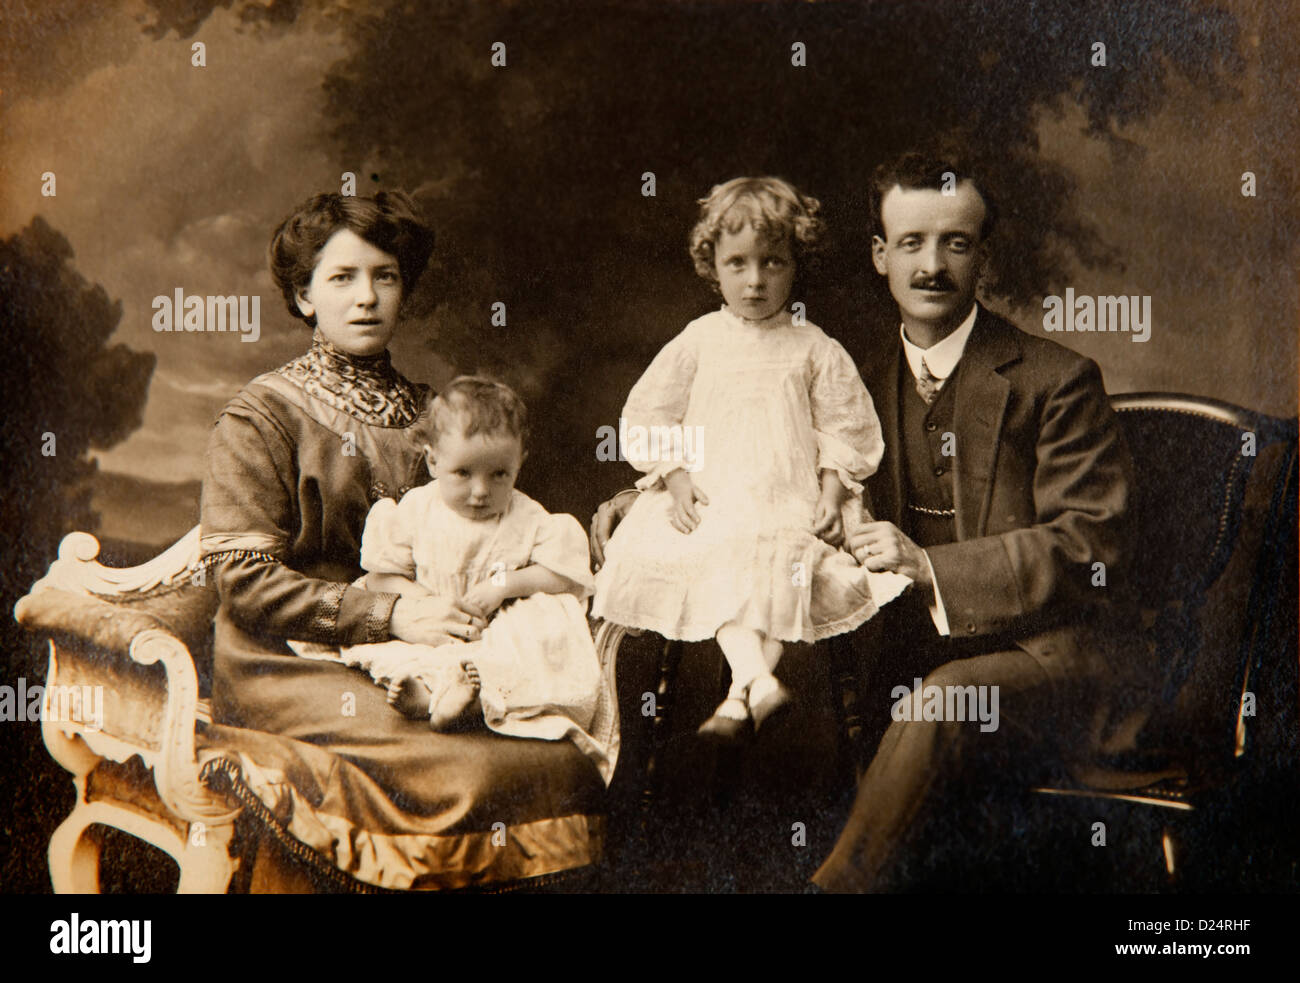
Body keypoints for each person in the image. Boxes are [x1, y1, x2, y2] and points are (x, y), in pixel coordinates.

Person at [198, 192, 609, 891]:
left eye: (385, 277)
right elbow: (238, 577)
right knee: (462, 772)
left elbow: (497, 524)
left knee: (557, 758)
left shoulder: (435, 416)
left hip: (436, 641)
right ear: (303, 296)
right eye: (341, 278)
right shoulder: (261, 414)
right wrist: (387, 613)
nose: (366, 297)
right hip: (289, 656)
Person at [806, 149, 1135, 891]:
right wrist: (654, 496)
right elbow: (762, 475)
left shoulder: (1057, 380)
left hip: (1047, 658)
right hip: (903, 653)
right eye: (912, 243)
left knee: (948, 699)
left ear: (983, 255)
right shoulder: (848, 387)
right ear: (879, 255)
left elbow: (1090, 546)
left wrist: (928, 566)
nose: (932, 265)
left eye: (955, 243)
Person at [591, 176, 909, 743]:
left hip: (788, 497)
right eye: (738, 263)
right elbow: (651, 414)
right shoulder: (697, 340)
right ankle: (757, 681)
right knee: (719, 556)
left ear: (795, 265)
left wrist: (833, 497)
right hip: (712, 498)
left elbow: (846, 430)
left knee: (782, 564)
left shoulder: (815, 347)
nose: (756, 280)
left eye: (773, 262)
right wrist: (678, 480)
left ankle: (744, 688)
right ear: (712, 265)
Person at [290, 376, 613, 780]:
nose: (481, 491)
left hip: (493, 626)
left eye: (499, 474)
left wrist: (503, 586)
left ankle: (476, 701)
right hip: (426, 622)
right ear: (433, 461)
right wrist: (423, 601)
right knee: (404, 651)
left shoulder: (527, 516)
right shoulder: (414, 512)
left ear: (520, 462)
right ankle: (427, 696)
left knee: (526, 648)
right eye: (463, 473)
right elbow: (381, 578)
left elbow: (560, 573)